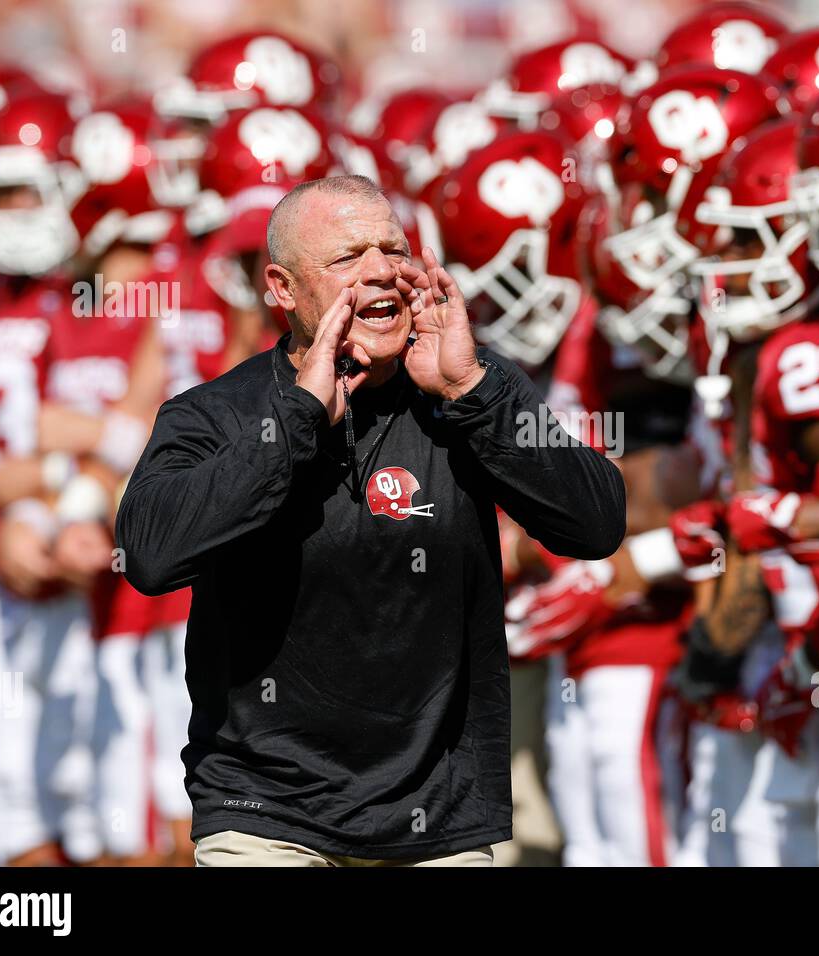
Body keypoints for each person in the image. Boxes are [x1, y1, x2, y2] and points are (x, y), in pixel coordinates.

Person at [115, 174, 626, 866]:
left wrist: (474, 392)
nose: (382, 270)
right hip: (265, 810)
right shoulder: (214, 413)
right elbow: (149, 554)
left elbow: (594, 525)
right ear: (284, 288)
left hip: (435, 818)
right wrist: (295, 423)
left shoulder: (463, 390)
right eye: (348, 257)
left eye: (394, 249)